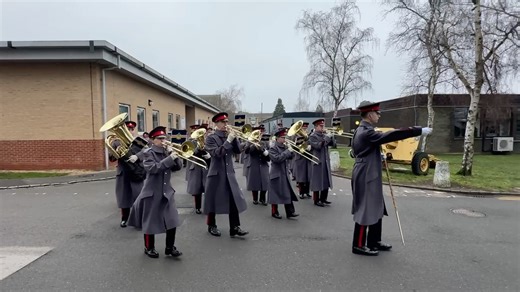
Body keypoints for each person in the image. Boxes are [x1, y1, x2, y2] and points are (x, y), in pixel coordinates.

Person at [350, 101, 432, 256]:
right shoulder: (366, 132)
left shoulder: (363, 129)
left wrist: (375, 153)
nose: (379, 115)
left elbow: (356, 151)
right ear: (370, 114)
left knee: (376, 206)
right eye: (377, 113)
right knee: (365, 208)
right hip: (366, 174)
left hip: (370, 172)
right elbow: (392, 135)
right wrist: (417, 130)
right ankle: (358, 244)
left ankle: (374, 241)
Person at [127, 126, 184, 258]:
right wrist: (169, 159)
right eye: (160, 138)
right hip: (152, 192)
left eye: (164, 138)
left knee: (172, 220)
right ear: (152, 140)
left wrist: (173, 156)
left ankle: (170, 247)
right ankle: (149, 247)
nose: (163, 141)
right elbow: (153, 169)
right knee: (150, 222)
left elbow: (178, 167)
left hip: (167, 191)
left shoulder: (166, 152)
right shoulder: (148, 153)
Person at [203, 112, 249, 238]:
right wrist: (228, 140)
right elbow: (217, 153)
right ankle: (211, 225)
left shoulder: (229, 135)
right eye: (223, 122)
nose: (225, 124)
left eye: (226, 122)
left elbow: (237, 150)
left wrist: (242, 140)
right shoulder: (211, 138)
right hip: (216, 173)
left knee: (233, 199)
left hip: (229, 173)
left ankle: (234, 227)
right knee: (212, 200)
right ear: (216, 124)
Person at [109, 120, 146, 228]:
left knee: (138, 195)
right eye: (127, 129)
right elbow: (111, 158)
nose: (129, 131)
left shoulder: (139, 141)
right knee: (123, 196)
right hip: (123, 172)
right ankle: (124, 218)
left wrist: (137, 156)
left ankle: (139, 218)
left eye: (130, 129)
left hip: (136, 171)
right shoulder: (117, 142)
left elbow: (146, 151)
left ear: (133, 131)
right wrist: (116, 153)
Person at [267, 128, 299, 219]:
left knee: (287, 192)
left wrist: (292, 150)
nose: (284, 139)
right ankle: (274, 212)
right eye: (282, 137)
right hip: (276, 174)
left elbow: (290, 157)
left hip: (284, 173)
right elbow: (277, 159)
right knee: (275, 194)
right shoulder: (273, 148)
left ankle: (290, 212)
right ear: (277, 138)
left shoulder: (285, 147)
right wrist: (288, 151)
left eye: (285, 137)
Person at [308, 119, 336, 207]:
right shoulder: (313, 136)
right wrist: (327, 137)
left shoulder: (323, 135)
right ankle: (316, 200)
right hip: (318, 160)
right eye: (321, 126)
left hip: (325, 160)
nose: (322, 127)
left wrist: (332, 136)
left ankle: (324, 198)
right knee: (317, 181)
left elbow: (333, 144)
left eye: (323, 126)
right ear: (316, 127)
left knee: (325, 180)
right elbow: (318, 146)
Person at [186, 124, 211, 214]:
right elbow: (189, 153)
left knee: (208, 188)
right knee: (197, 189)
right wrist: (198, 149)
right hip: (196, 166)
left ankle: (209, 207)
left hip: (206, 166)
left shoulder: (209, 140)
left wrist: (206, 153)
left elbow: (211, 151)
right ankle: (198, 207)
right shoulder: (191, 141)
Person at [244, 127, 270, 205]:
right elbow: (247, 151)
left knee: (265, 182)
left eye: (260, 133)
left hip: (263, 163)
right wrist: (252, 145)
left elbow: (268, 149)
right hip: (254, 163)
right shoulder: (250, 141)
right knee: (254, 182)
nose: (259, 134)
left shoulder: (264, 141)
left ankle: (262, 198)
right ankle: (255, 198)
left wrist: (265, 151)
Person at [292, 122, 312, 199]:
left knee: (308, 175)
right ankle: (301, 192)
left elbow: (310, 143)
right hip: (300, 157)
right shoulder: (295, 136)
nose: (304, 129)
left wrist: (309, 146)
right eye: (303, 127)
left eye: (305, 127)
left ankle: (307, 192)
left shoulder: (308, 135)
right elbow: (293, 146)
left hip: (307, 157)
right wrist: (301, 148)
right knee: (301, 176)